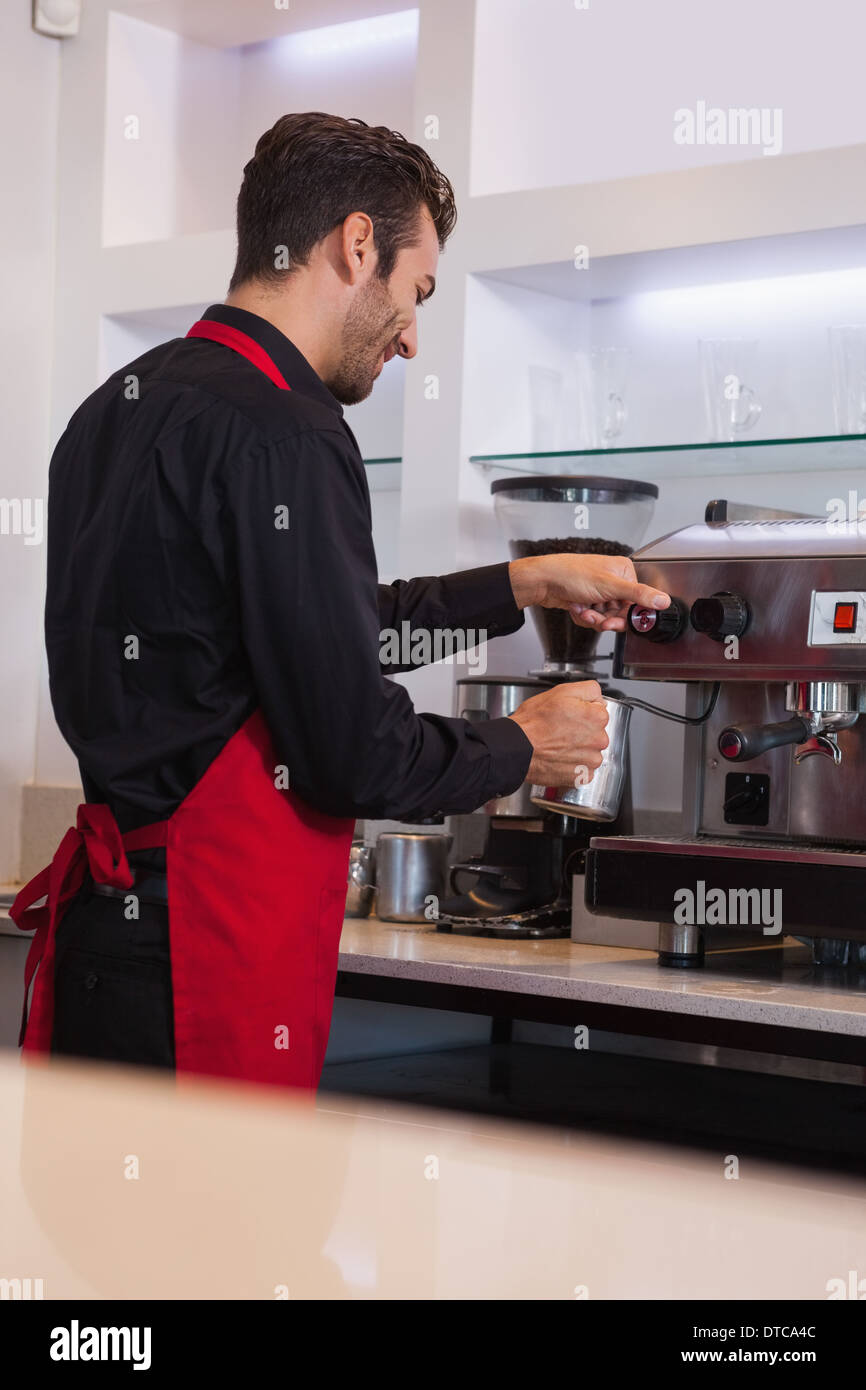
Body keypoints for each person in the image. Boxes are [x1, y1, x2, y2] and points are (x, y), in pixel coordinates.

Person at [12, 113, 669, 1089]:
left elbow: (296, 637)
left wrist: (519, 584)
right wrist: (521, 743)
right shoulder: (289, 430)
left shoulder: (114, 407)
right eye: (416, 291)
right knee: (227, 1240)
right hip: (204, 955)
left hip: (106, 942)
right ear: (356, 244)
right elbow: (347, 748)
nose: (410, 335)